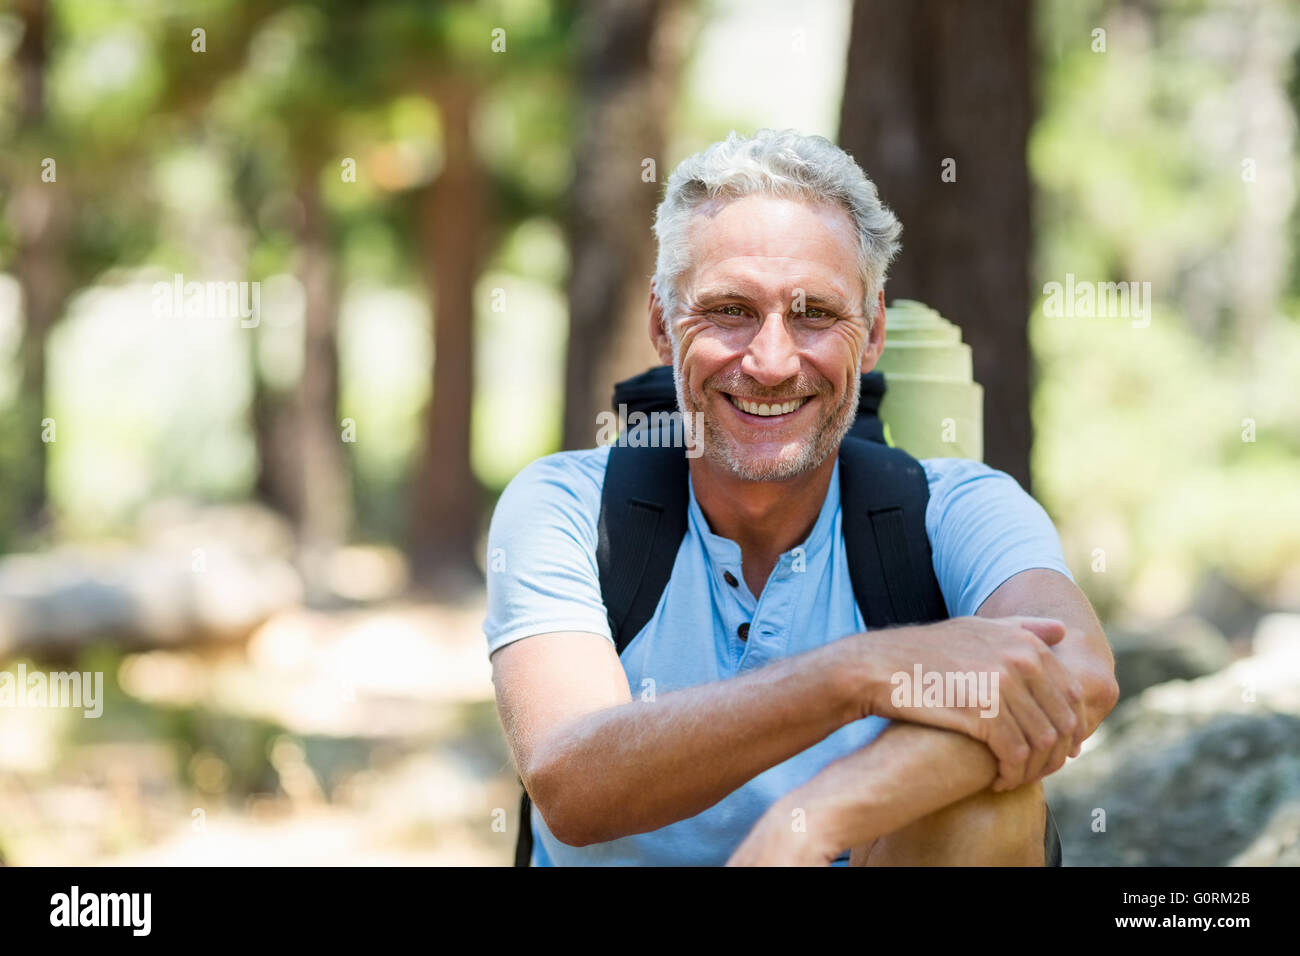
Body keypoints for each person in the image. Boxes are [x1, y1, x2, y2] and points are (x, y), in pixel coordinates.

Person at [483, 128, 1118, 866]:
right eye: (729, 310)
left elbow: (1078, 672)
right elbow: (573, 783)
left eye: (815, 313)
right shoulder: (565, 505)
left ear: (872, 332)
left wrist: (811, 821)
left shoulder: (956, 509)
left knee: (987, 811)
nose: (772, 362)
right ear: (662, 325)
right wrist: (854, 677)